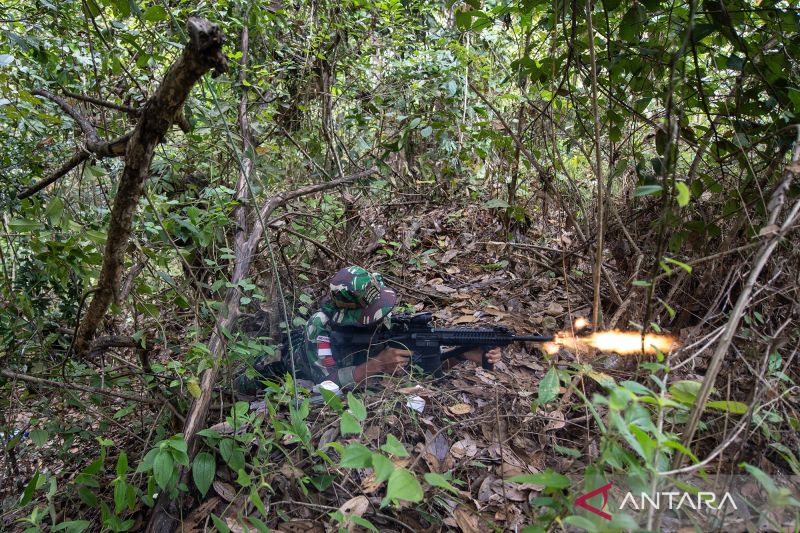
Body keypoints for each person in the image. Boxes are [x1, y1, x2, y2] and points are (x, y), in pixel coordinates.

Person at [235, 266, 502, 395]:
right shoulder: (320, 328)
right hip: (288, 368)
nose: (380, 317)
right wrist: (376, 365)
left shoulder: (382, 321)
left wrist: (461, 354)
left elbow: (422, 373)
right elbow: (325, 384)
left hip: (350, 365)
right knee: (242, 386)